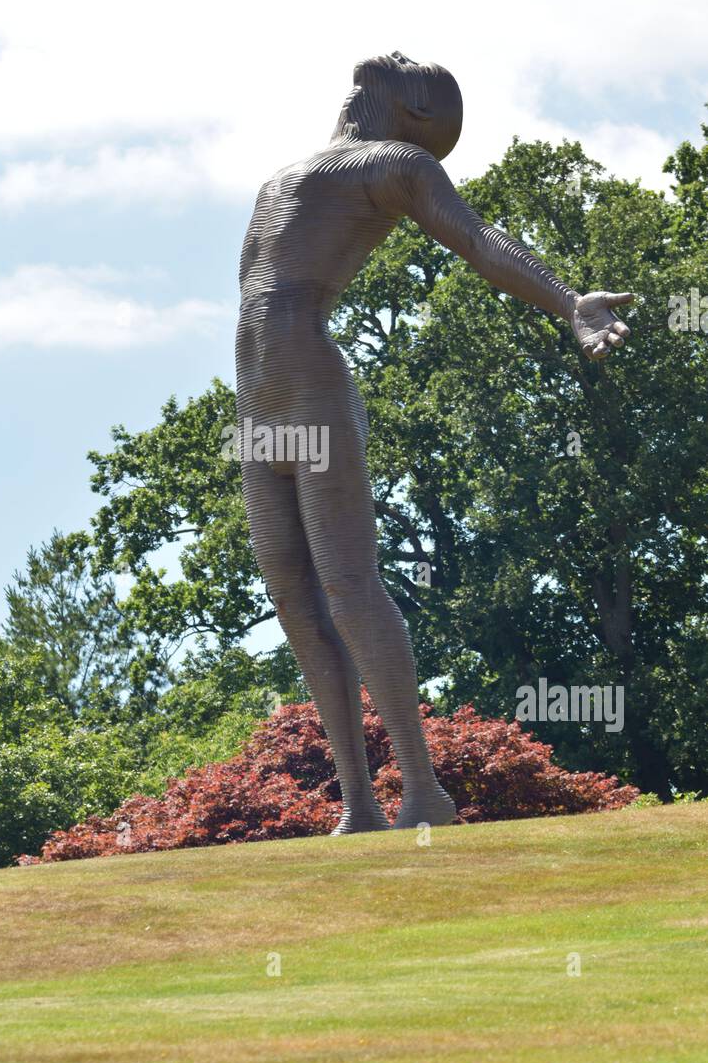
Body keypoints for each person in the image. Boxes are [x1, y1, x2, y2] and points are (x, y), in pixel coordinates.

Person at [235, 51, 632, 834]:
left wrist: (567, 303)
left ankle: (424, 791)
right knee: (293, 600)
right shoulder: (287, 174)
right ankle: (358, 803)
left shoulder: (397, 162)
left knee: (347, 587)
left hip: (311, 386)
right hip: (256, 407)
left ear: (409, 114)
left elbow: (481, 242)